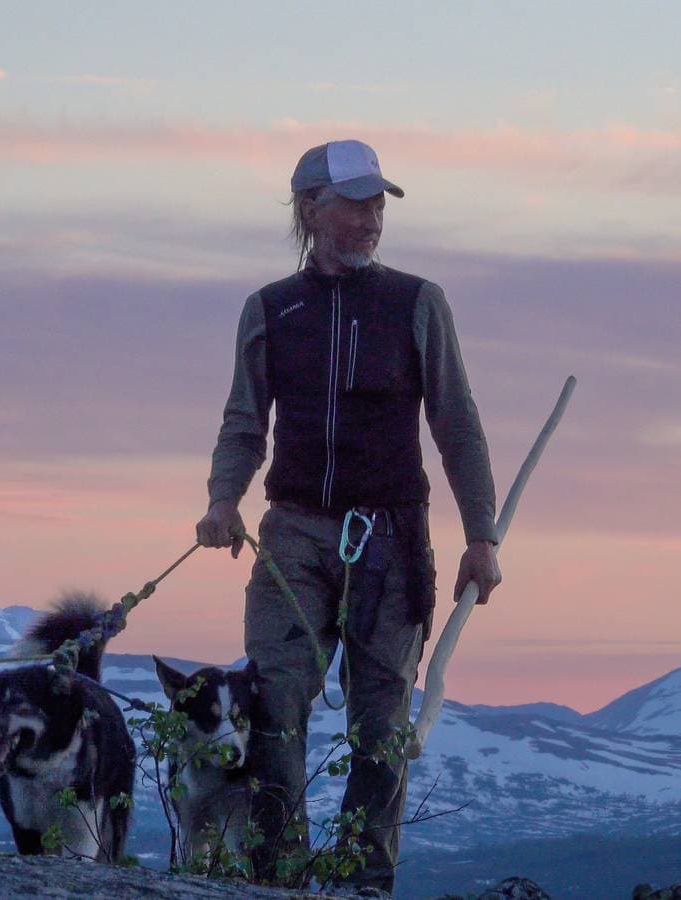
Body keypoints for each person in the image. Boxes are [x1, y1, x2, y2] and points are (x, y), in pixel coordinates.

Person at [195, 139, 501, 892]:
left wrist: (482, 535)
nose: (372, 219)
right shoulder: (270, 310)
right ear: (310, 210)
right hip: (292, 530)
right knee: (274, 708)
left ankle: (364, 885)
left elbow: (456, 422)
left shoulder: (417, 302)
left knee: (380, 727)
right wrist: (221, 501)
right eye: (356, 203)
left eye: (377, 204)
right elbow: (244, 421)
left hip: (393, 538)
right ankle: (279, 879)